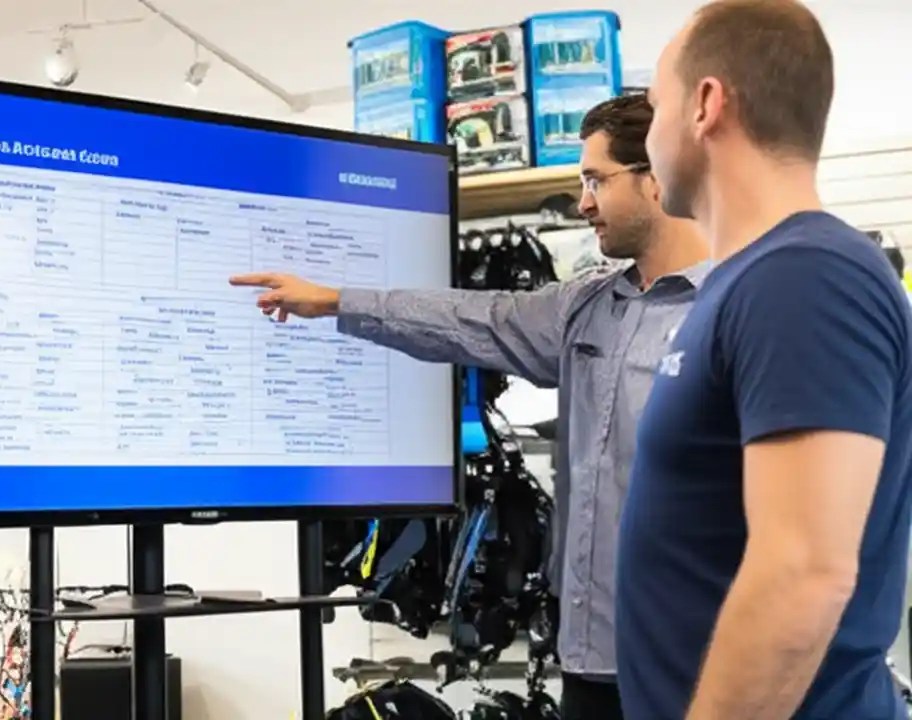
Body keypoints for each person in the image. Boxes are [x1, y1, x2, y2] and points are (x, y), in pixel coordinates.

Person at [230, 94, 709, 720]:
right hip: (590, 660)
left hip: (696, 666)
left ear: (655, 178)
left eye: (596, 180)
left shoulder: (734, 309)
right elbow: (469, 319)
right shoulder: (587, 307)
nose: (583, 202)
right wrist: (336, 301)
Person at [617, 1, 912, 718]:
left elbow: (804, 575)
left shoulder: (805, 275)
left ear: (706, 105)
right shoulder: (754, 279)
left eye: (656, 107)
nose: (649, 139)